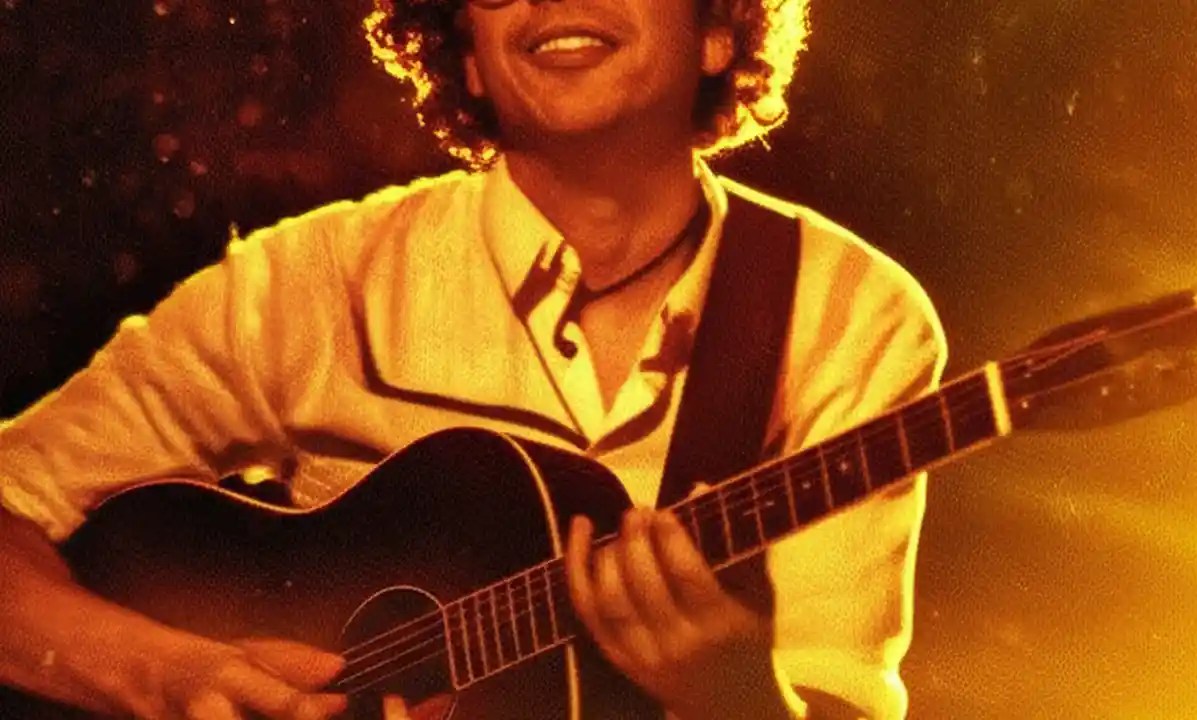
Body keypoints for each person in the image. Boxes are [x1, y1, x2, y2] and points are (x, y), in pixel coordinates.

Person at [0, 0, 946, 718]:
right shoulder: (315, 282)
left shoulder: (849, 317)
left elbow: (837, 693)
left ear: (719, 30)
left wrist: (737, 698)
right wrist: (172, 677)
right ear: (467, 59)